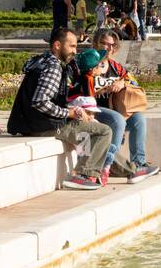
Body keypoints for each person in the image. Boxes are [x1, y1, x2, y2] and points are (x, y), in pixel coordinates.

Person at [7, 26, 113, 190]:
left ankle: (123, 169)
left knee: (85, 133)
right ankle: (82, 175)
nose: (75, 51)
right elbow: (40, 101)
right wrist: (70, 112)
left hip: (31, 123)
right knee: (104, 131)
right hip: (43, 126)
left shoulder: (42, 61)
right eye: (72, 46)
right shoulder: (54, 67)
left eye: (76, 46)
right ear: (57, 45)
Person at [67, 31, 160, 185]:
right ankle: (108, 164)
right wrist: (99, 89)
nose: (109, 48)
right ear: (96, 42)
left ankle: (139, 163)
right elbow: (73, 88)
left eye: (112, 45)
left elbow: (134, 83)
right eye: (105, 43)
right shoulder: (85, 61)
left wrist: (122, 83)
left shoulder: (116, 67)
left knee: (138, 120)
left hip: (110, 108)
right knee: (117, 120)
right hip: (89, 109)